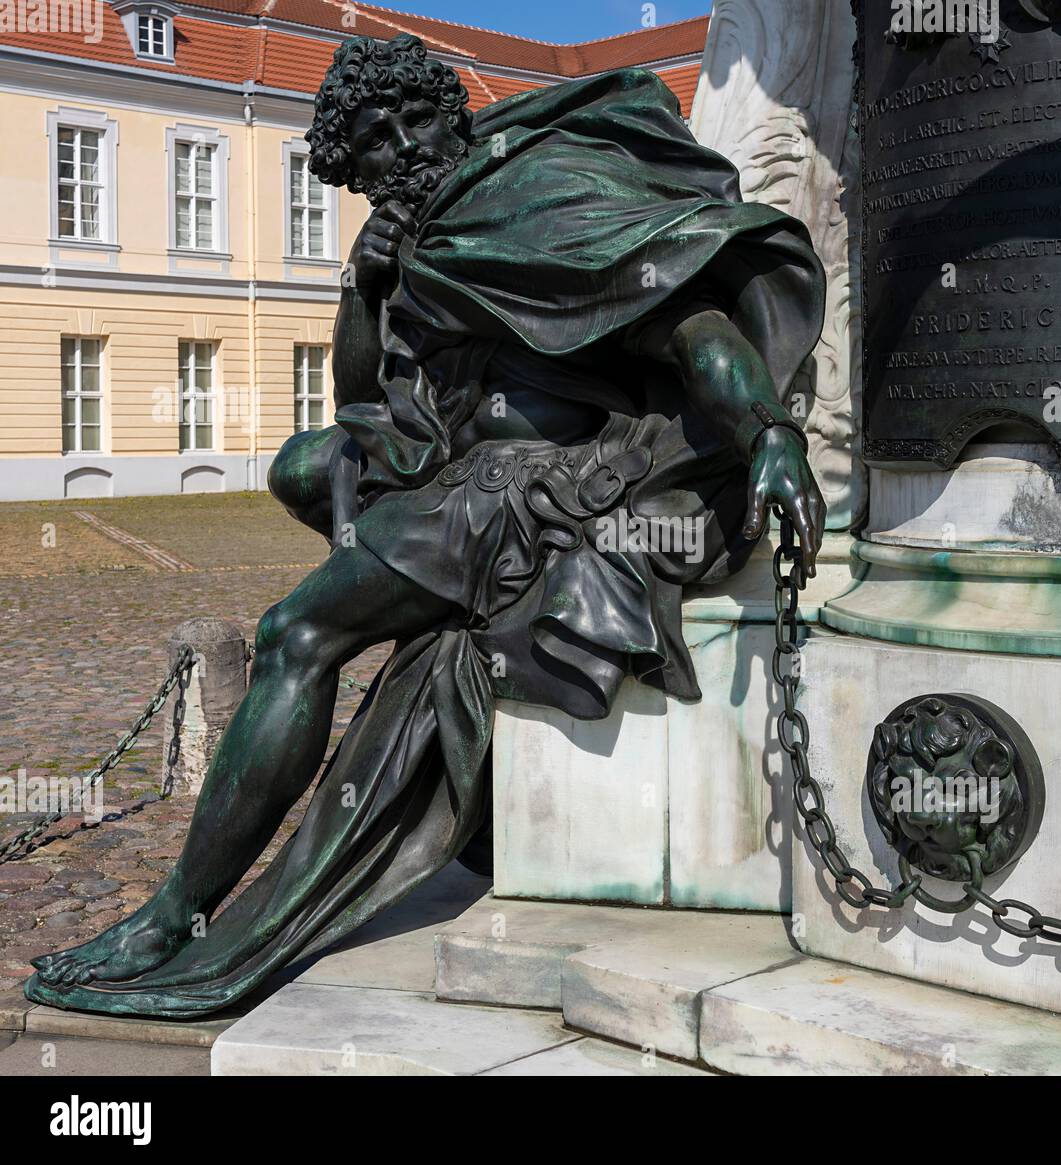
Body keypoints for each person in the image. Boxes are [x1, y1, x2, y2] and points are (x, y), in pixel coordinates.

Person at [27, 33, 826, 1016]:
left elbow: (696, 330)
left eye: (412, 120)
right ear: (354, 169)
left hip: (526, 485)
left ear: (445, 107)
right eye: (372, 143)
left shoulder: (539, 191)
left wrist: (769, 432)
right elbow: (366, 399)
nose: (401, 146)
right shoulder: (425, 231)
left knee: (297, 631)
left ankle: (176, 918)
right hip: (456, 467)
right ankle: (204, 886)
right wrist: (366, 282)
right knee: (307, 468)